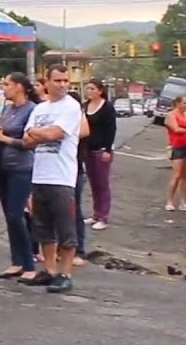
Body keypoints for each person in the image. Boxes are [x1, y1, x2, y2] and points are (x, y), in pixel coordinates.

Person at [21, 64, 83, 293]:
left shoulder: (72, 107)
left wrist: (39, 133)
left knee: (65, 228)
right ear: (46, 82)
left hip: (62, 177)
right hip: (40, 175)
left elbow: (54, 134)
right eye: (57, 80)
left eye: (66, 80)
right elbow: (26, 141)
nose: (62, 85)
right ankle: (49, 269)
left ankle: (65, 273)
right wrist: (41, 133)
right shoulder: (40, 109)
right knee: (43, 227)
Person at [0, 72, 40, 280]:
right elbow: (3, 131)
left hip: (21, 167)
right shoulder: (9, 108)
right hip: (2, 165)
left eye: (7, 84)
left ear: (19, 87)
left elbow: (29, 143)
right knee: (9, 216)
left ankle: (29, 263)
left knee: (16, 215)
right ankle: (16, 261)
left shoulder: (32, 110)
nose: (4, 88)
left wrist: (4, 138)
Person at [82, 79, 115, 230]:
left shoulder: (107, 107)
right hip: (87, 149)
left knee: (102, 184)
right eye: (87, 88)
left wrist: (107, 149)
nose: (89, 91)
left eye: (92, 88)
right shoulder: (85, 106)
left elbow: (111, 129)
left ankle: (103, 216)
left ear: (100, 91)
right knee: (93, 183)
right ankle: (96, 214)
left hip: (101, 149)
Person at [164, 96, 186, 211]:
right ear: (177, 104)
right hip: (177, 146)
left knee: (185, 176)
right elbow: (176, 129)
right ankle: (169, 200)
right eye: (184, 103)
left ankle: (184, 201)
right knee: (176, 175)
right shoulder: (172, 115)